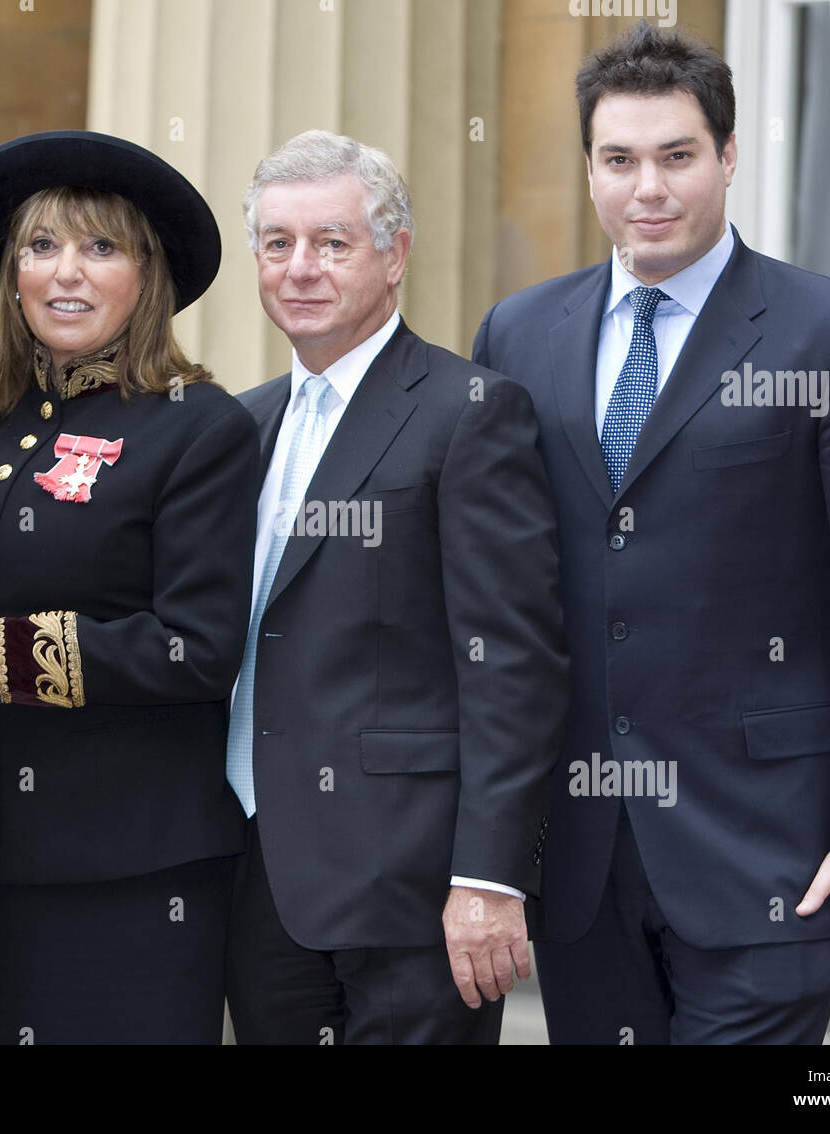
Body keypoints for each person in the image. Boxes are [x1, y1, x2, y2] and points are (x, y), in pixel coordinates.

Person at [472, 21, 830, 1044]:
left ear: (729, 157)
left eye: (676, 156)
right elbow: (502, 595)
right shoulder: (518, 334)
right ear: (591, 168)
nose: (646, 188)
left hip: (768, 854)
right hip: (581, 858)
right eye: (618, 160)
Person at [0, 130, 259, 1044]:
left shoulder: (199, 428)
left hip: (138, 872)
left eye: (101, 247)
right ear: (12, 273)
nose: (66, 273)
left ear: (147, 275)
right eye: (41, 247)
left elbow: (198, 649)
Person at [223, 129, 568, 1044]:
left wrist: (490, 879)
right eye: (278, 243)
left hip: (414, 890)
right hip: (259, 875)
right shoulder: (242, 426)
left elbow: (515, 666)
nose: (301, 268)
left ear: (395, 253)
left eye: (333, 243)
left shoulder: (469, 415)